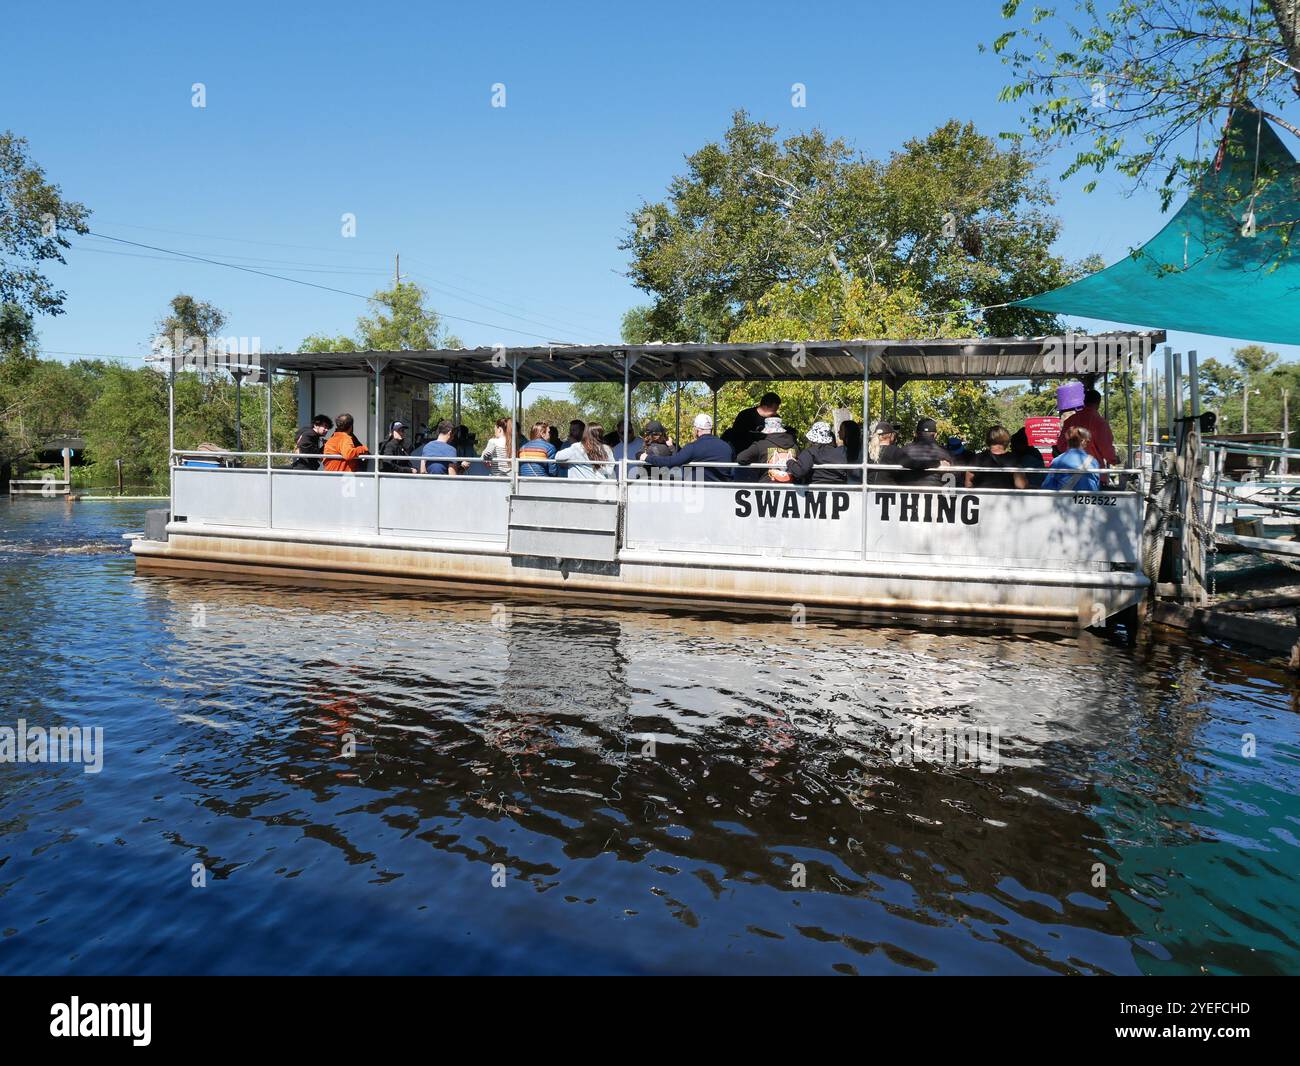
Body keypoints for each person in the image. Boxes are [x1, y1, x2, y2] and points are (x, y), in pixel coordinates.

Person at [643, 413, 733, 481]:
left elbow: (671, 462)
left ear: (697, 430)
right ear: (711, 429)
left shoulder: (693, 447)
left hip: (699, 496)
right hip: (724, 494)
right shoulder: (727, 446)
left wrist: (647, 458)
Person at [1054, 388, 1117, 467]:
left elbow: (1061, 445)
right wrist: (1114, 460)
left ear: (1084, 402)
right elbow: (1106, 448)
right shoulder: (1100, 423)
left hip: (1070, 470)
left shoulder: (1070, 421)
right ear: (1098, 403)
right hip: (1094, 471)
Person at [736, 416, 798, 482]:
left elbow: (741, 458)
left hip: (766, 487)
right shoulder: (795, 446)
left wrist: (756, 464)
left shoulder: (760, 445)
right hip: (791, 488)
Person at [894, 417, 951, 487]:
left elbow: (904, 463)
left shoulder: (904, 450)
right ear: (935, 435)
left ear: (916, 434)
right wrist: (937, 463)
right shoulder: (944, 453)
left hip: (905, 495)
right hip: (934, 494)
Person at [1043, 425, 1101, 491]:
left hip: (1064, 499)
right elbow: (1096, 487)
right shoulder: (1093, 461)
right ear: (1083, 442)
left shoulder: (1057, 461)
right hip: (1088, 500)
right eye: (1088, 441)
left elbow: (1047, 487)